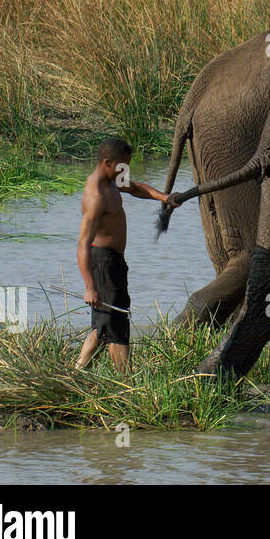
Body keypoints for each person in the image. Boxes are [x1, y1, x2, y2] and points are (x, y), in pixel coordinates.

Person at [74, 137, 170, 372]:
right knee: (116, 328)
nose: (126, 171)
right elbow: (83, 245)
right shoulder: (96, 196)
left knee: (103, 327)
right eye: (122, 165)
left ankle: (75, 376)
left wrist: (163, 197)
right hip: (103, 264)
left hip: (114, 263)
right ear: (107, 162)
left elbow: (135, 187)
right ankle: (126, 386)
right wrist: (89, 287)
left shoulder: (113, 181)